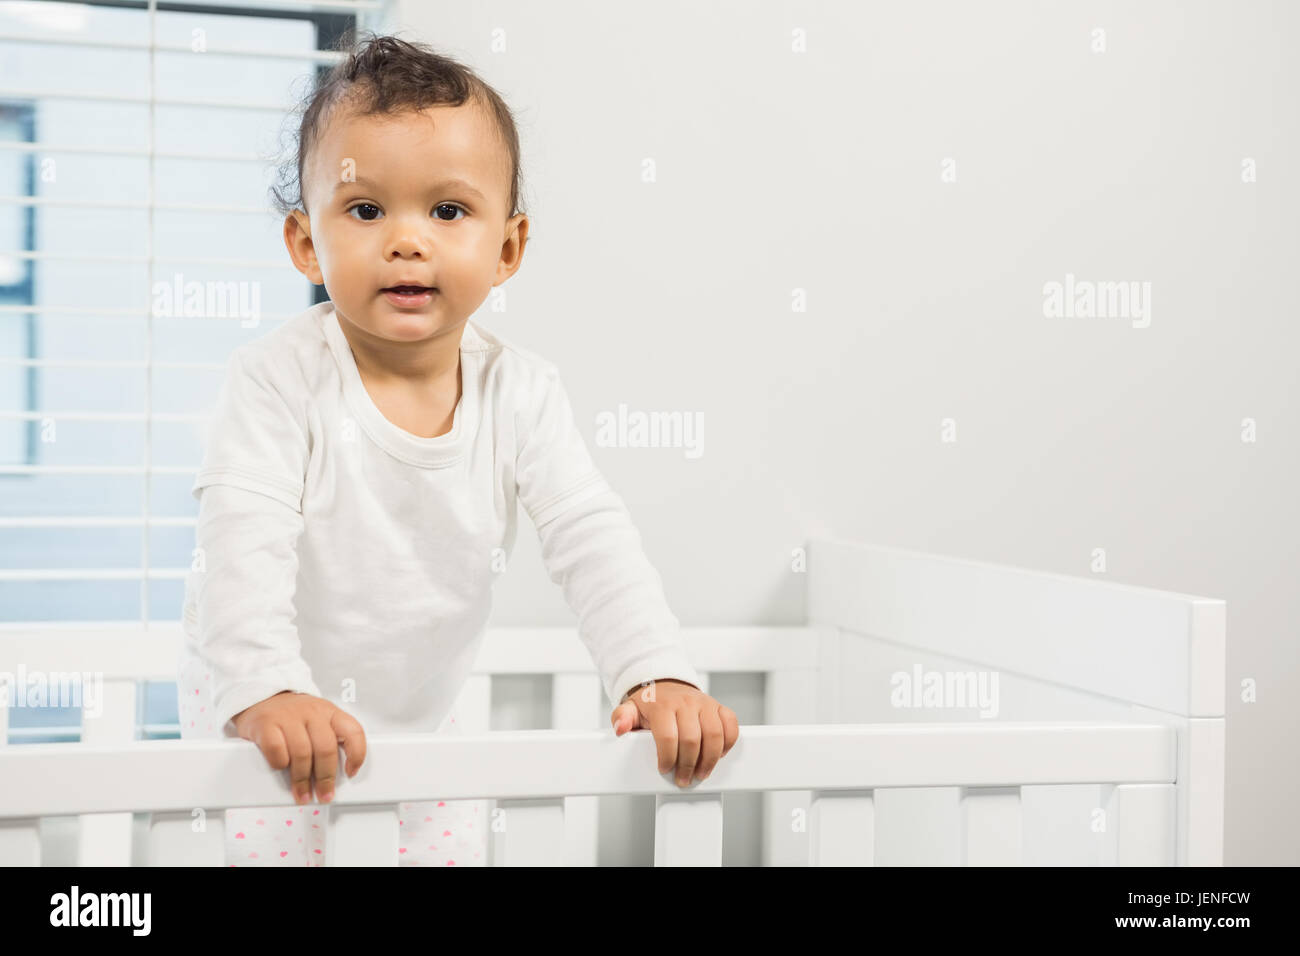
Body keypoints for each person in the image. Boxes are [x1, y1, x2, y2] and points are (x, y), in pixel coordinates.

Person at [177, 31, 739, 866]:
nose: (409, 240)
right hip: (262, 717)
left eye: (448, 210)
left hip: (424, 720)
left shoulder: (524, 395)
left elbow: (592, 540)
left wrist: (653, 672)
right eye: (366, 210)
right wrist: (267, 687)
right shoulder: (275, 381)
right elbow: (241, 541)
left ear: (507, 247)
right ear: (306, 243)